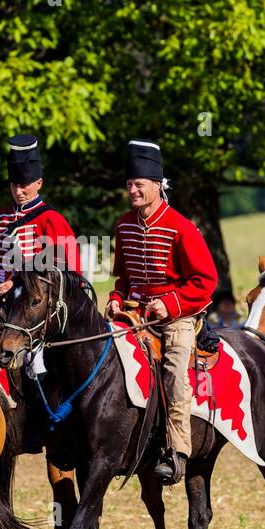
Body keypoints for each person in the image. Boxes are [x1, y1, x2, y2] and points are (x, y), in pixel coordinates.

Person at [105, 139, 219, 486]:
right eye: (129, 185)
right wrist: (115, 296)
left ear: (157, 185)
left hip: (177, 316)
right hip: (133, 313)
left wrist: (169, 304)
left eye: (139, 185)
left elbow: (207, 280)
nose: (133, 190)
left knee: (174, 370)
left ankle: (176, 451)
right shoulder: (124, 225)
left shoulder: (181, 226)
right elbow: (123, 276)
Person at [0, 134, 81, 304]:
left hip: (32, 309)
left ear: (39, 183)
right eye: (14, 185)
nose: (18, 192)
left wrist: (16, 284)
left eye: (23, 186)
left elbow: (66, 271)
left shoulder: (52, 219)